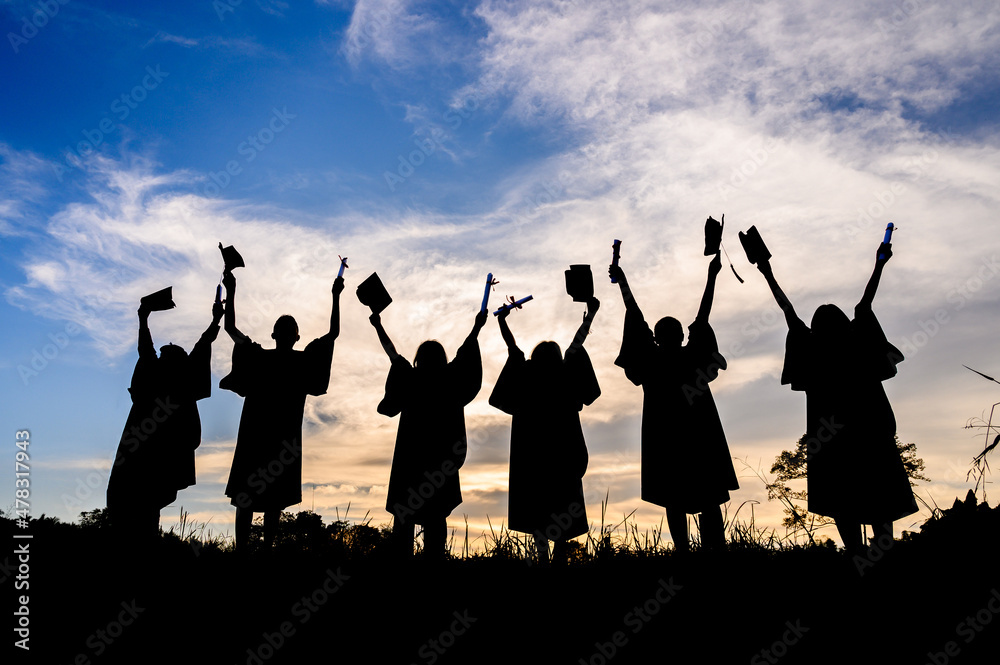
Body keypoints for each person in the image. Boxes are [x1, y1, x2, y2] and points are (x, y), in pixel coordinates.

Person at [755, 241, 917, 553]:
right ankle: (879, 553)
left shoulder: (813, 348)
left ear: (816, 328)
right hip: (867, 433)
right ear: (845, 325)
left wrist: (767, 272)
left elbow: (787, 309)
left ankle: (857, 556)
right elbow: (864, 305)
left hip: (832, 438)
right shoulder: (856, 344)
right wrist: (879, 264)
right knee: (878, 497)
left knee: (843, 501)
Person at [610, 252, 738, 553]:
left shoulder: (650, 360)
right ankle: (714, 554)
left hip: (665, 436)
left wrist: (623, 282)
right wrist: (712, 276)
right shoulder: (692, 356)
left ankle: (683, 553)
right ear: (682, 335)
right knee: (707, 497)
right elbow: (703, 315)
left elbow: (634, 313)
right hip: (699, 436)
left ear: (656, 337)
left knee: (673, 498)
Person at [219, 269, 343, 552]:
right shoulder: (302, 363)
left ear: (274, 334)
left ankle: (242, 552)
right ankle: (267, 550)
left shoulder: (260, 357)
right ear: (297, 338)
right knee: (272, 499)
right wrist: (336, 296)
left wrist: (232, 290)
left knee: (248, 497)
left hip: (256, 435)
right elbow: (333, 333)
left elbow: (230, 329)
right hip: (282, 439)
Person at [489, 296, 601, 565]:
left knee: (537, 503)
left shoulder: (527, 373)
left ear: (535, 357)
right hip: (563, 450)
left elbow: (512, 347)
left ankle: (542, 558)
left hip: (533, 454)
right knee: (561, 500)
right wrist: (590, 315)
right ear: (557, 358)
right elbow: (578, 342)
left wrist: (503, 321)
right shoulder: (563, 374)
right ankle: (559, 557)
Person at [369, 309, 487, 558]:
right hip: (439, 462)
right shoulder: (450, 379)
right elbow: (466, 352)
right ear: (442, 359)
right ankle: (434, 569)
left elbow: (392, 354)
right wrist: (477, 326)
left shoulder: (412, 378)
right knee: (436, 517)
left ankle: (403, 568)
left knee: (405, 518)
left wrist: (378, 325)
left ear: (418, 359)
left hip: (410, 461)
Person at [107, 295, 223, 545]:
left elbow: (199, 345)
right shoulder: (172, 377)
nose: (161, 356)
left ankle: (139, 543)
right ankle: (139, 542)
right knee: (146, 503)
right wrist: (214, 320)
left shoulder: (166, 376)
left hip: (153, 451)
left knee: (146, 502)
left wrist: (143, 318)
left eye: (165, 354)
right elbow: (201, 345)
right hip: (149, 450)